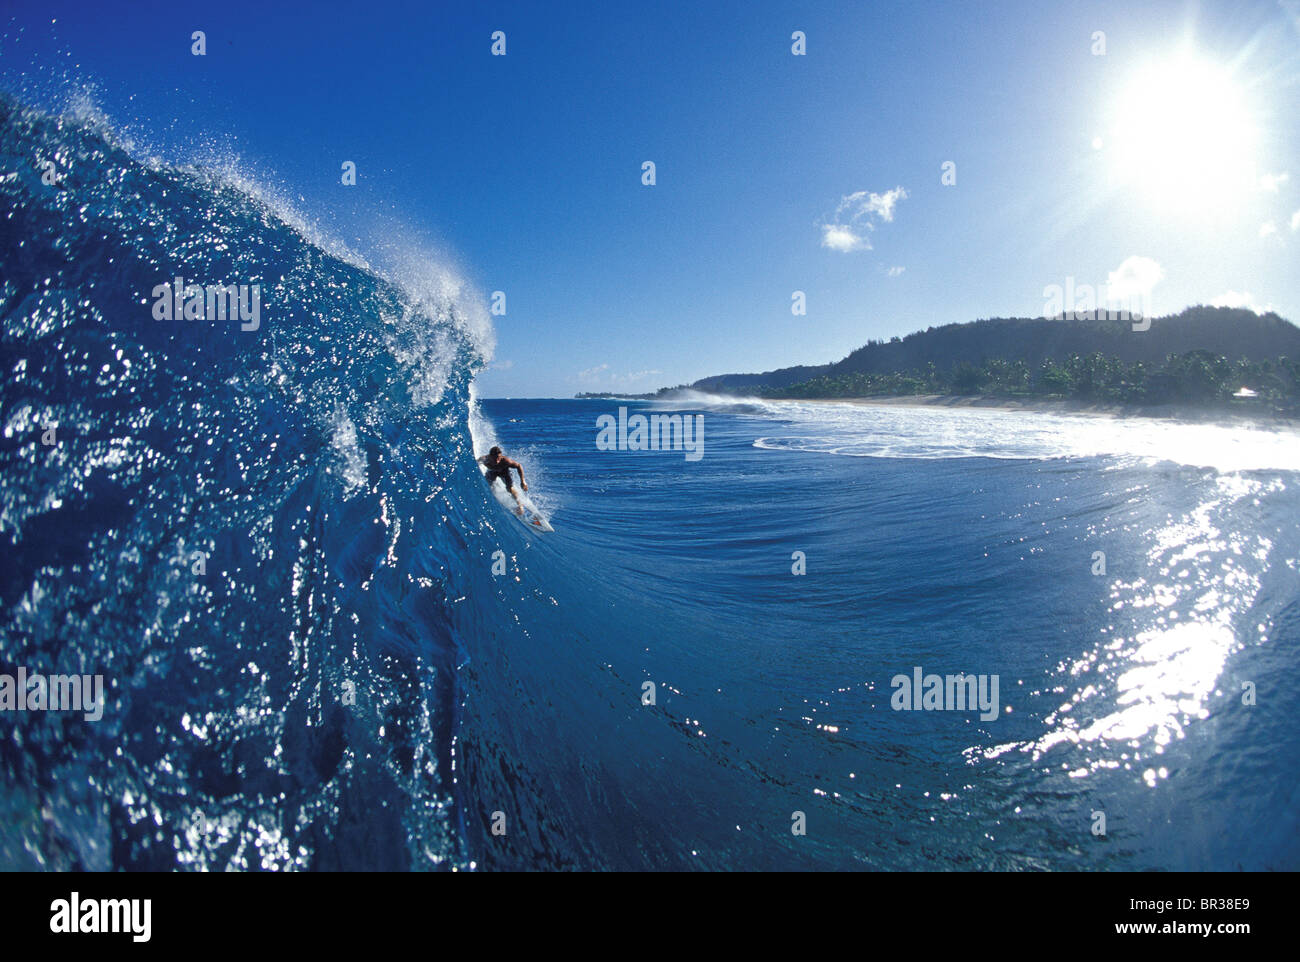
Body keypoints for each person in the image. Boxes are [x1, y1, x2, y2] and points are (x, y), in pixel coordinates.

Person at [477, 446, 528, 514]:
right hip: (492, 472)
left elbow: (519, 466)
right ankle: (495, 500)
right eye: (495, 458)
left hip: (504, 472)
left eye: (499, 458)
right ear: (490, 456)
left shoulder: (506, 461)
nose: (497, 461)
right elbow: (475, 464)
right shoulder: (484, 459)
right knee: (489, 487)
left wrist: (523, 481)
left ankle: (520, 506)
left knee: (510, 488)